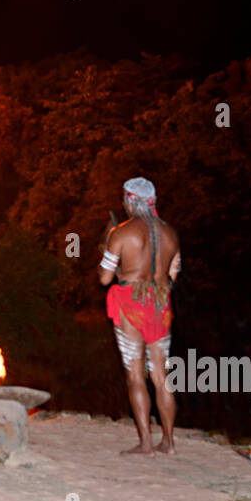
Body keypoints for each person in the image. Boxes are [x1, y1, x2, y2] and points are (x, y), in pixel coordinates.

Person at [98, 177, 181, 456]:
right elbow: (173, 274)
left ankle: (146, 442)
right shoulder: (171, 233)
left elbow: (104, 278)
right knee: (161, 375)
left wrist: (105, 246)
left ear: (130, 199)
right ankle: (168, 442)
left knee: (135, 376)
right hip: (160, 302)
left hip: (129, 302)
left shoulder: (121, 233)